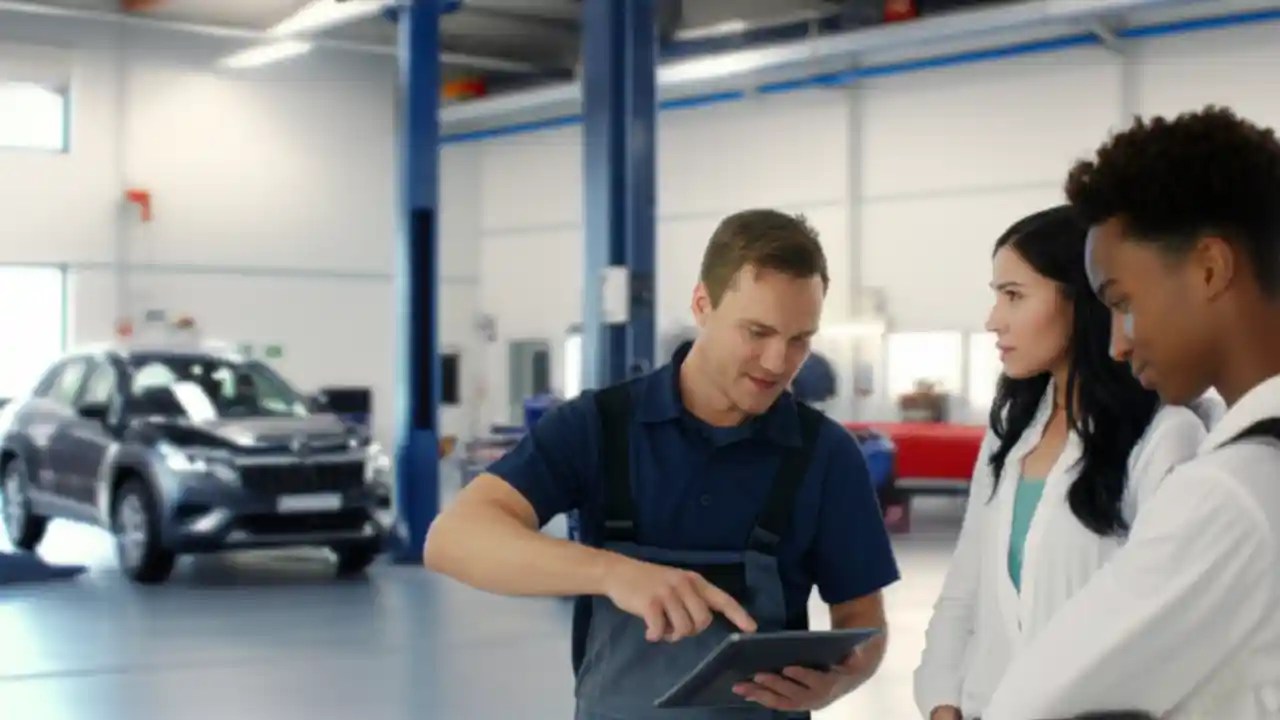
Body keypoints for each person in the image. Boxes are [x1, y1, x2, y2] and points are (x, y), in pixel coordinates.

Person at [424, 209, 900, 719]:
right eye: (757, 332)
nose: (778, 362)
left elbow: (863, 618)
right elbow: (452, 539)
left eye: (799, 339)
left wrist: (839, 681)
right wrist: (612, 573)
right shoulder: (598, 427)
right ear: (702, 305)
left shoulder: (827, 455)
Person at [980, 106, 1280, 719]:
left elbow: (1029, 708)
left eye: (1123, 303)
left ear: (1210, 269)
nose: (1117, 342)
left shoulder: (1230, 492)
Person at [913, 206, 1209, 720]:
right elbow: (964, 590)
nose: (993, 320)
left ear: (1083, 299)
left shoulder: (1165, 437)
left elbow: (1169, 629)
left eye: (1014, 295)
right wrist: (942, 703)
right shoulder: (1010, 432)